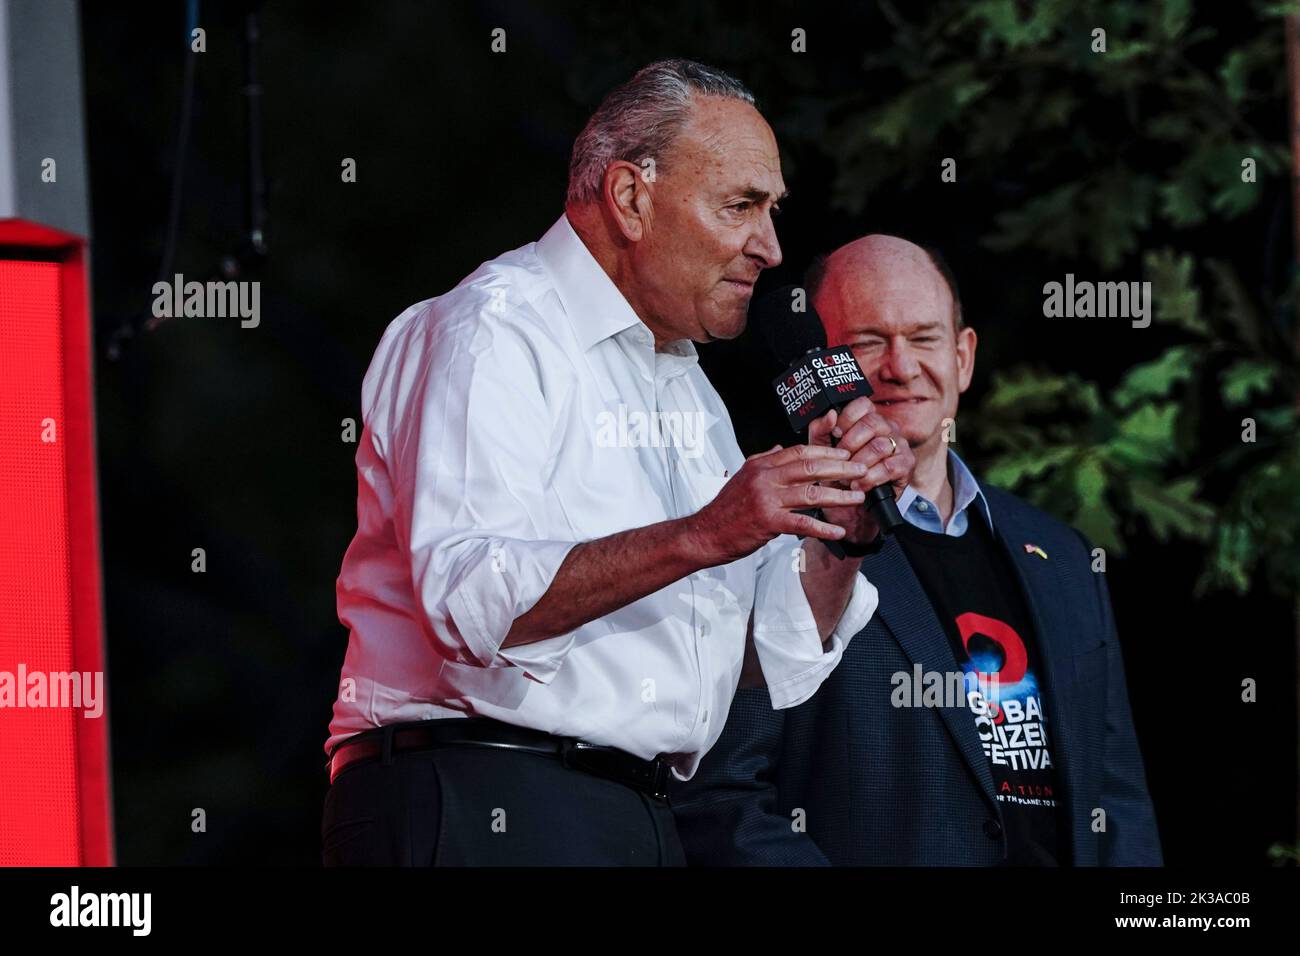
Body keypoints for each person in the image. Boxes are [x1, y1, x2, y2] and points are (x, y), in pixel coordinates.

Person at [320, 61, 915, 866]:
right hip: (482, 794)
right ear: (633, 198)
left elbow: (734, 655)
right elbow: (467, 599)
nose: (771, 248)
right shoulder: (492, 330)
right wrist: (710, 532)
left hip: (638, 815)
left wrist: (838, 539)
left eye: (773, 211)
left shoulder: (688, 390)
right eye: (740, 206)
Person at [672, 235, 1163, 866]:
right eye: (868, 342)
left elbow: (1116, 795)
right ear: (817, 368)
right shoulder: (768, 534)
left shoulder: (1064, 557)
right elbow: (720, 794)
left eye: (925, 338)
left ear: (964, 357)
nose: (901, 367)